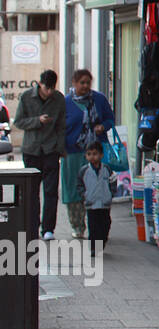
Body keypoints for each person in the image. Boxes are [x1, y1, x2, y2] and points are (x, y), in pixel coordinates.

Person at [62, 69, 116, 240]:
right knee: (73, 188)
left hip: (96, 152)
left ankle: (99, 227)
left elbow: (110, 119)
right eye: (82, 83)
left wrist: (103, 126)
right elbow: (60, 127)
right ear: (74, 83)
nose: (85, 86)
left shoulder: (99, 99)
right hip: (72, 152)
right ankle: (77, 226)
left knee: (98, 187)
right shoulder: (66, 102)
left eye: (88, 82)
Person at [13, 70, 65, 240]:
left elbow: (61, 126)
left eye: (52, 88)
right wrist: (37, 121)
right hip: (32, 150)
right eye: (46, 88)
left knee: (51, 191)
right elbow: (18, 121)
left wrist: (60, 148)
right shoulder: (27, 97)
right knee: (31, 192)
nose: (49, 91)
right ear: (39, 84)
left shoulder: (59, 99)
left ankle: (48, 229)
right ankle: (32, 227)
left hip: (51, 150)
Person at [79, 140, 117, 255]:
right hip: (91, 204)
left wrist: (110, 194)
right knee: (93, 226)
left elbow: (112, 182)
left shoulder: (106, 169)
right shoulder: (84, 171)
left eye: (95, 154)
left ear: (101, 155)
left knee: (105, 224)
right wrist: (84, 195)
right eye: (89, 154)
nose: (92, 157)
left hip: (104, 203)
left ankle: (102, 242)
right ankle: (93, 247)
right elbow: (79, 185)